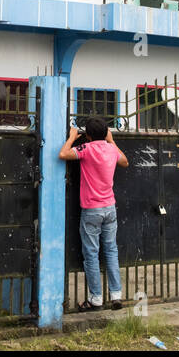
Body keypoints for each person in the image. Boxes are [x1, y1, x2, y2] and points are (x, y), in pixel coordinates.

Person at [60, 118, 128, 311]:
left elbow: (63, 154)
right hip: (110, 208)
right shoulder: (111, 149)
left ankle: (96, 298)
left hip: (91, 210)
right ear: (106, 132)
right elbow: (125, 162)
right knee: (111, 251)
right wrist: (112, 141)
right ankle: (116, 295)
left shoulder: (87, 149)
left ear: (88, 135)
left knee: (91, 254)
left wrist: (72, 137)